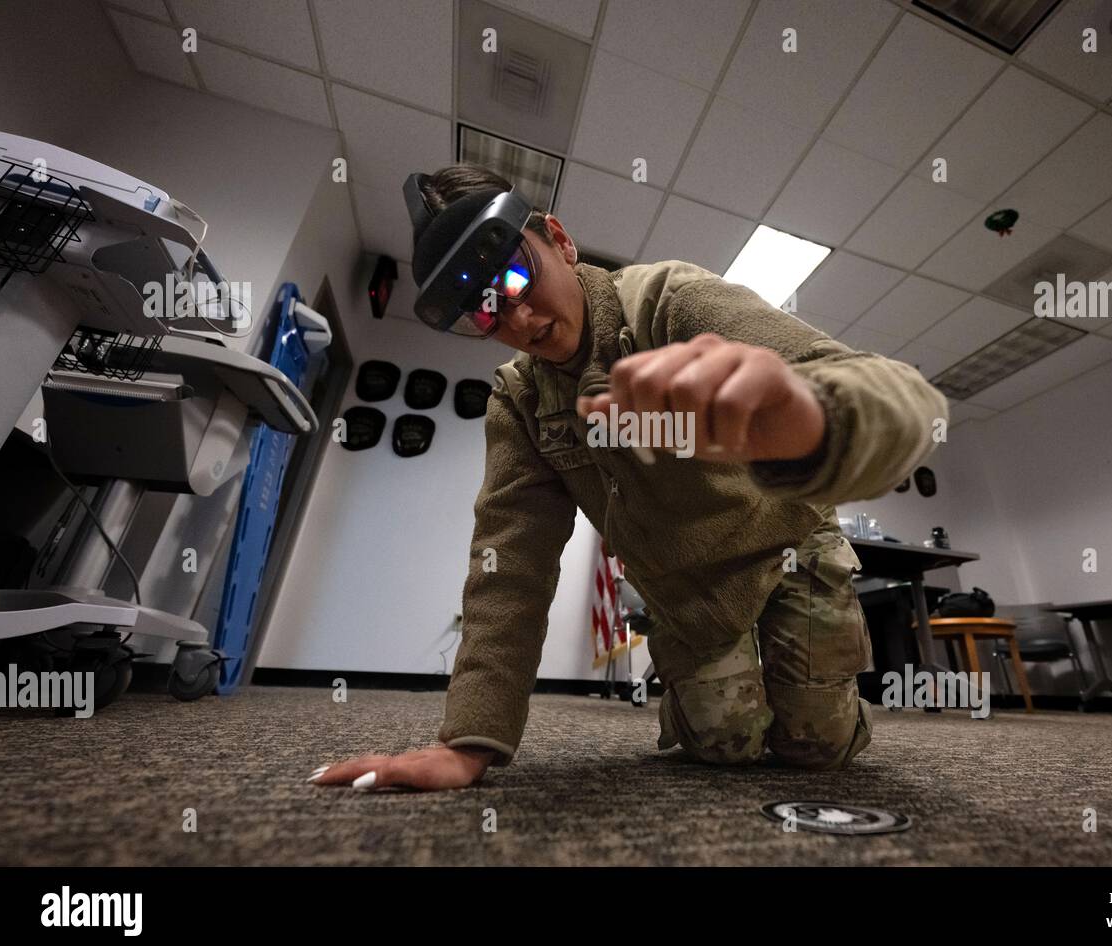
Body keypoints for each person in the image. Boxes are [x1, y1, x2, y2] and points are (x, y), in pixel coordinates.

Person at [309, 164, 948, 792]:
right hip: (685, 586)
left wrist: (805, 420)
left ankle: (822, 697)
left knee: (819, 748)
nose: (521, 322)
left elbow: (899, 398)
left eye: (516, 276)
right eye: (487, 315)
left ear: (559, 239)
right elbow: (511, 565)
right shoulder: (519, 400)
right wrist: (469, 742)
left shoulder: (674, 300)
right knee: (724, 745)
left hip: (789, 544)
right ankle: (705, 695)